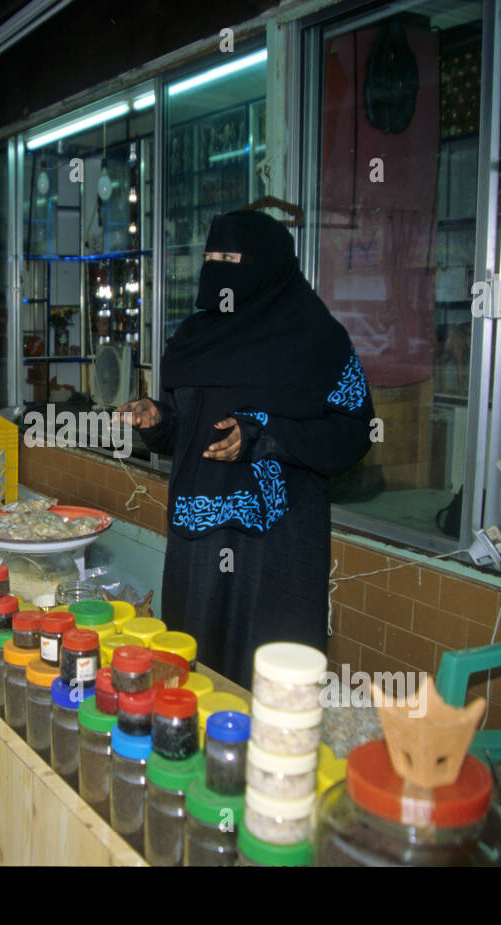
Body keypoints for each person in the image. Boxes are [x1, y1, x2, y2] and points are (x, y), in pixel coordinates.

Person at [120, 210, 375, 689]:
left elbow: (353, 431)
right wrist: (157, 420)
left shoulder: (320, 343)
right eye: (210, 256)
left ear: (266, 264)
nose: (217, 268)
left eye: (230, 257)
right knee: (193, 670)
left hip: (276, 548)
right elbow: (183, 431)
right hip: (198, 540)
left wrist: (266, 436)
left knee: (269, 673)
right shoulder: (195, 339)